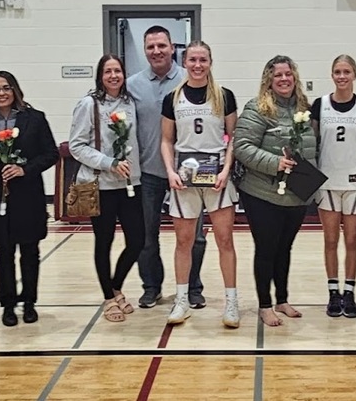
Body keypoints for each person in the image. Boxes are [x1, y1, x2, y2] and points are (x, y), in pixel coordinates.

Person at [161, 41, 241, 328]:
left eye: (203, 60)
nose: (197, 65)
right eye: (192, 59)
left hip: (216, 177)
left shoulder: (224, 96)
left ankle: (231, 302)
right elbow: (166, 140)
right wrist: (170, 170)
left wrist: (226, 170)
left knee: (224, 241)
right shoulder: (173, 97)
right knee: (183, 242)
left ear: (210, 62)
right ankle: (182, 300)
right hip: (184, 179)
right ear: (184, 62)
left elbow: (234, 138)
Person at [128, 26, 208, 309]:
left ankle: (193, 288)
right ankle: (151, 287)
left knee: (195, 238)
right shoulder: (132, 84)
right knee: (147, 237)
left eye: (162, 45)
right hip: (149, 173)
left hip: (189, 175)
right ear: (145, 50)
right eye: (150, 47)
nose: (156, 51)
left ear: (172, 48)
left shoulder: (192, 80)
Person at [233, 55, 316, 327]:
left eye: (288, 74)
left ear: (295, 77)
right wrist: (275, 163)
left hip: (295, 194)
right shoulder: (257, 108)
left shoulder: (305, 107)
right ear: (268, 80)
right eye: (277, 75)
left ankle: (282, 298)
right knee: (267, 249)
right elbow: (242, 146)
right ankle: (265, 304)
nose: (284, 79)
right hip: (261, 193)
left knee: (285, 248)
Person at [0, 71, 59, 327]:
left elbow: (51, 154)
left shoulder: (35, 119)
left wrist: (25, 169)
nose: (1, 93)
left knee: (30, 251)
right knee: (4, 251)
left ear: (15, 90)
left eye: (6, 87)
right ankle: (8, 304)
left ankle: (30, 302)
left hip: (29, 194)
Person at [68, 55, 145, 323]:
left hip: (130, 184)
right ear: (100, 76)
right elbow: (76, 146)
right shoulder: (89, 104)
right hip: (101, 184)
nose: (113, 76)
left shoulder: (130, 102)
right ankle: (108, 298)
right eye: (108, 71)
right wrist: (108, 163)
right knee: (105, 242)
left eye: (118, 71)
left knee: (138, 241)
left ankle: (115, 285)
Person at [310, 55, 356, 319]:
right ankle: (333, 291)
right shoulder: (319, 105)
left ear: (355, 74)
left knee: (352, 240)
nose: (342, 76)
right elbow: (310, 143)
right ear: (332, 75)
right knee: (331, 240)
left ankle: (350, 291)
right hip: (328, 182)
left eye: (347, 71)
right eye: (337, 71)